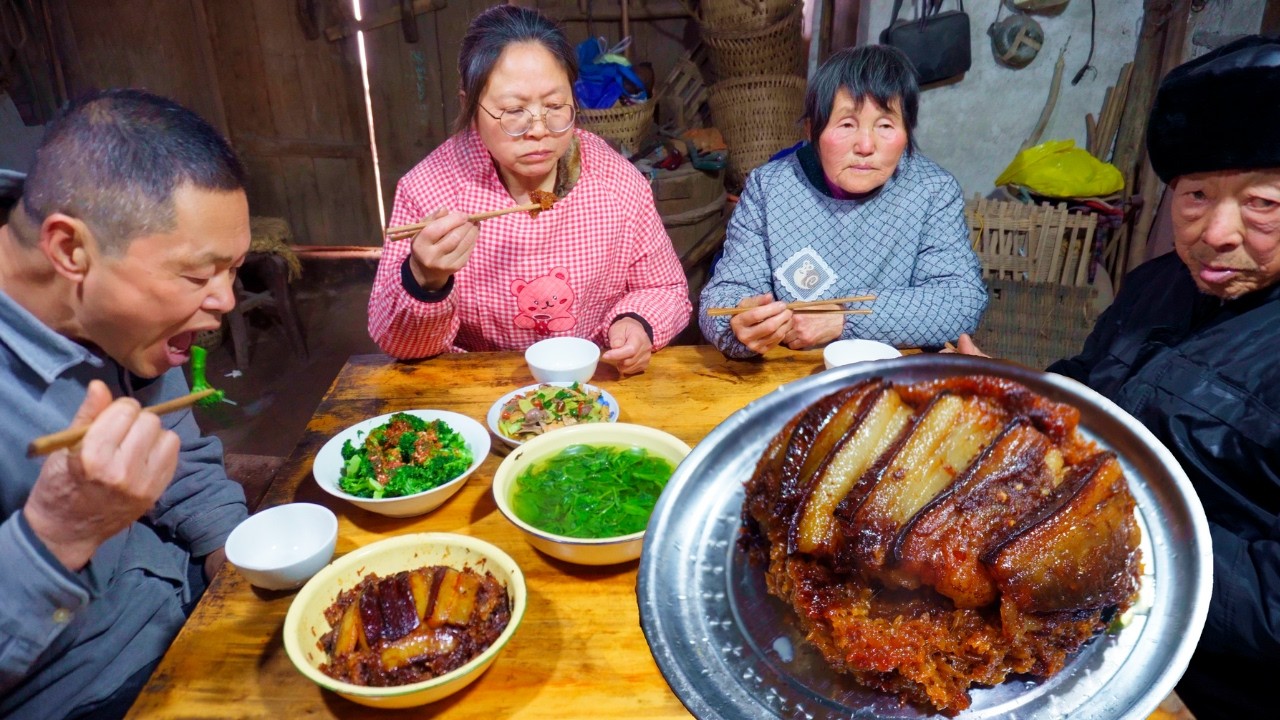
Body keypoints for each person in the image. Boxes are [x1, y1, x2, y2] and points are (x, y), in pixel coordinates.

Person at [952, 36, 1280, 720]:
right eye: (1195, 194)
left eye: (1262, 204)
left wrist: (1114, 531)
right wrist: (1024, 394)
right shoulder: (1158, 283)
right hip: (1067, 599)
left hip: (1200, 681)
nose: (1216, 231)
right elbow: (1091, 385)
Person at [0, 89, 250, 719]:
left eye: (233, 270)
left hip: (185, 606)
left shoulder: (126, 328)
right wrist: (57, 533)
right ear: (70, 250)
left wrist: (237, 569)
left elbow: (185, 460)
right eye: (197, 276)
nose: (224, 300)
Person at [367, 5, 690, 375]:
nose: (539, 129)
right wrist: (425, 279)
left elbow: (664, 287)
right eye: (513, 110)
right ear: (470, 107)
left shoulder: (614, 179)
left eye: (555, 105)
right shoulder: (431, 190)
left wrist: (637, 323)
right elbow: (398, 345)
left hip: (590, 380)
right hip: (475, 387)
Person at [698, 45, 987, 358]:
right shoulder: (770, 188)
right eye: (847, 124)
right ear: (812, 130)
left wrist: (844, 318)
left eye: (886, 125)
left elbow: (961, 300)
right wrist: (739, 325)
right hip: (788, 374)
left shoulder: (932, 191)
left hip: (898, 376)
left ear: (907, 131)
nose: (865, 145)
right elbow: (723, 296)